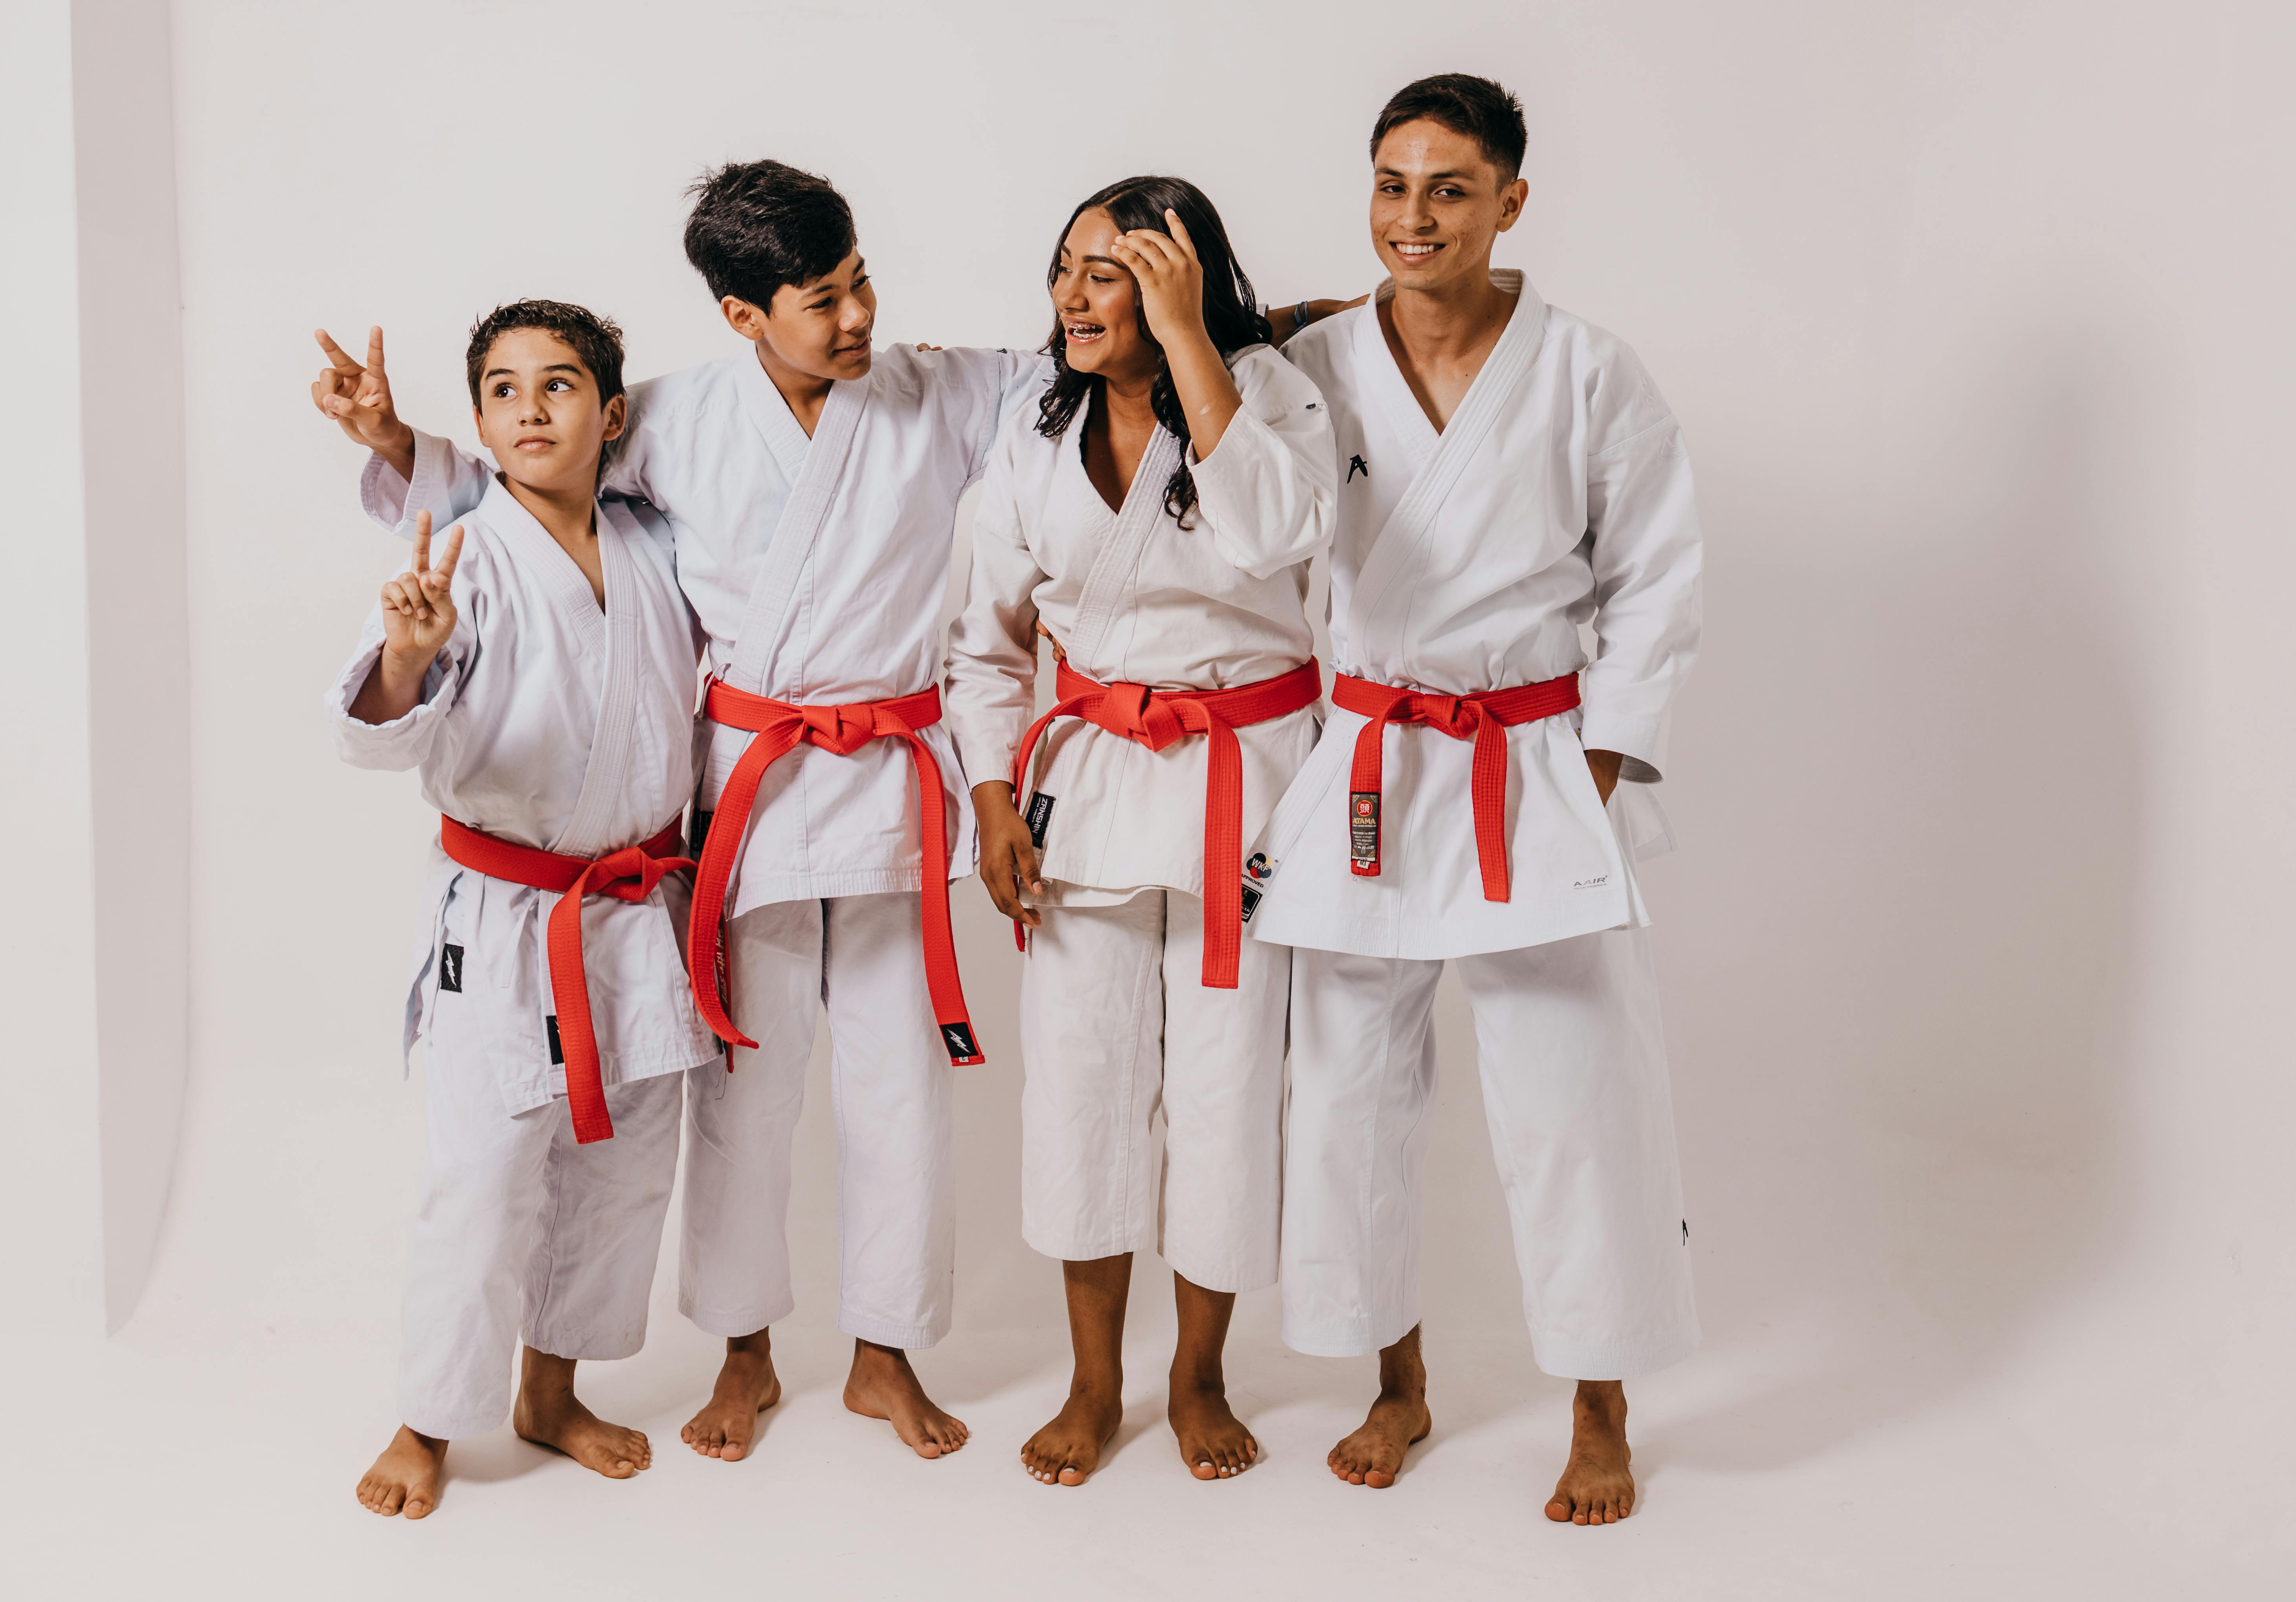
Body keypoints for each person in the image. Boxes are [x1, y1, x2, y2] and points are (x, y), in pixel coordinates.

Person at [313, 161, 1044, 1463]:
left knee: (900, 1083)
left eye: (861, 282)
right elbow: (519, 473)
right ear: (742, 315)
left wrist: (1248, 323)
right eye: (821, 299)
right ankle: (742, 1351)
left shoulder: (936, 391)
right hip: (746, 803)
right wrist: (392, 446)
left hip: (888, 785)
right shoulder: (672, 418)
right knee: (743, 1090)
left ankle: (884, 1351)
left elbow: (1081, 374)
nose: (858, 316)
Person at [1248, 74, 1704, 1523]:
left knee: (1576, 1097)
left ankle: (1599, 1401)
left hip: (1530, 758)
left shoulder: (1585, 370)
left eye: (1449, 189)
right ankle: (1396, 1379)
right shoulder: (1309, 364)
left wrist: (1594, 758)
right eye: (1391, 185)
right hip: (1372, 762)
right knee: (1348, 1095)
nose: (1414, 216)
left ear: (1510, 201)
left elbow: (1654, 576)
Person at [946, 177, 1336, 1486]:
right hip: (1090, 788)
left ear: (1180, 281)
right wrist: (990, 798)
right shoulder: (1034, 429)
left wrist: (1189, 345)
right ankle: (1093, 1378)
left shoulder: (1267, 393)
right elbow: (984, 641)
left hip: (1244, 787)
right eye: (1064, 266)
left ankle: (1199, 1375)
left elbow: (1276, 529)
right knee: (1079, 1093)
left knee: (1226, 1096)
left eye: (1106, 270)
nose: (1071, 293)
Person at [330, 301, 711, 1518]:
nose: (530, 408)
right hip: (507, 917)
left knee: (621, 1169)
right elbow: (383, 726)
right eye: (503, 389)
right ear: (479, 422)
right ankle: (429, 1419)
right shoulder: (462, 552)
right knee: (486, 1174)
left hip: (638, 908)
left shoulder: (656, 539)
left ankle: (552, 1390)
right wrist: (408, 654)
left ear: (613, 412)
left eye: (559, 384)